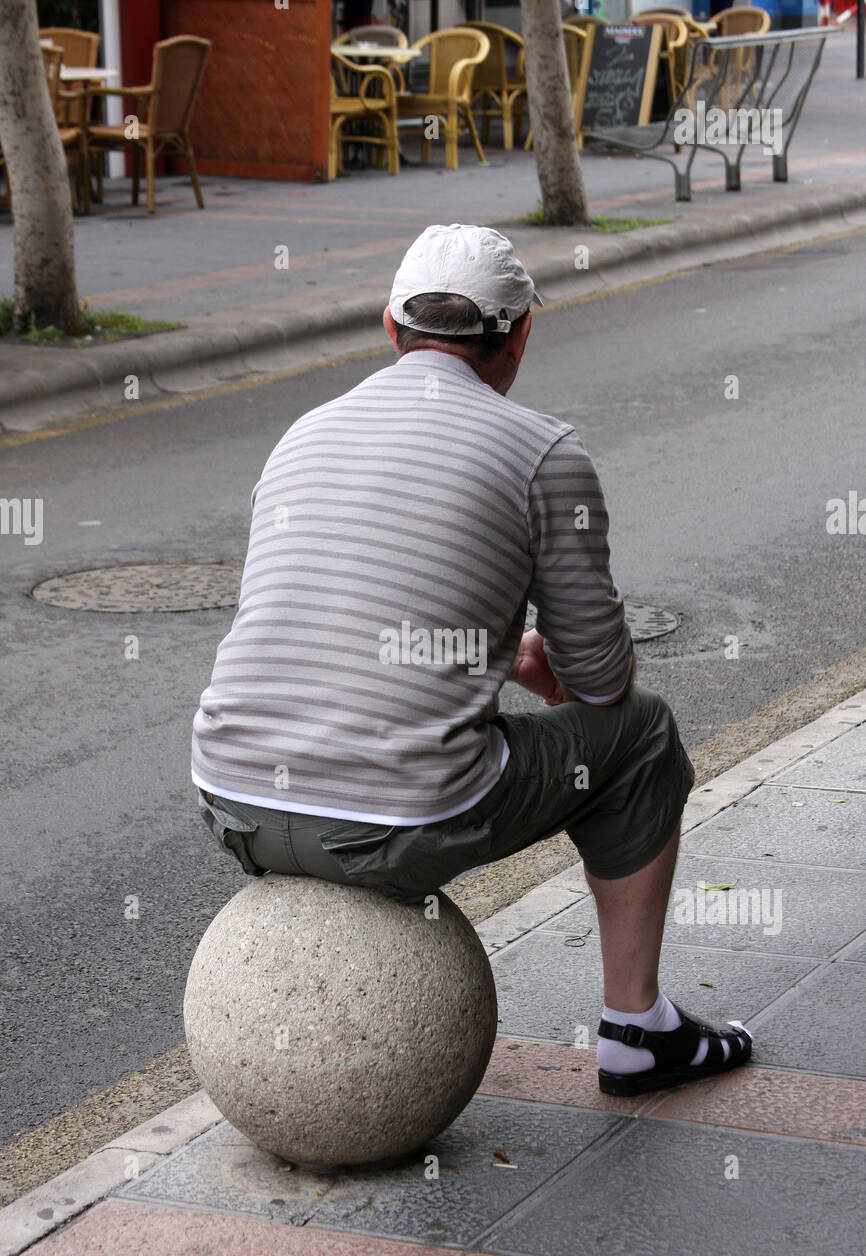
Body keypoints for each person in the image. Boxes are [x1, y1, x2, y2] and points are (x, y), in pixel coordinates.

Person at [191, 223, 752, 1097]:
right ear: (520, 335)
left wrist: (491, 655)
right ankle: (638, 1030)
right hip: (394, 824)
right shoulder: (542, 451)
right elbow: (603, 683)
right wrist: (538, 659)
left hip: (231, 802)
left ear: (390, 327)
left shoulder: (303, 433)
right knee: (641, 738)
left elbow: (319, 628)